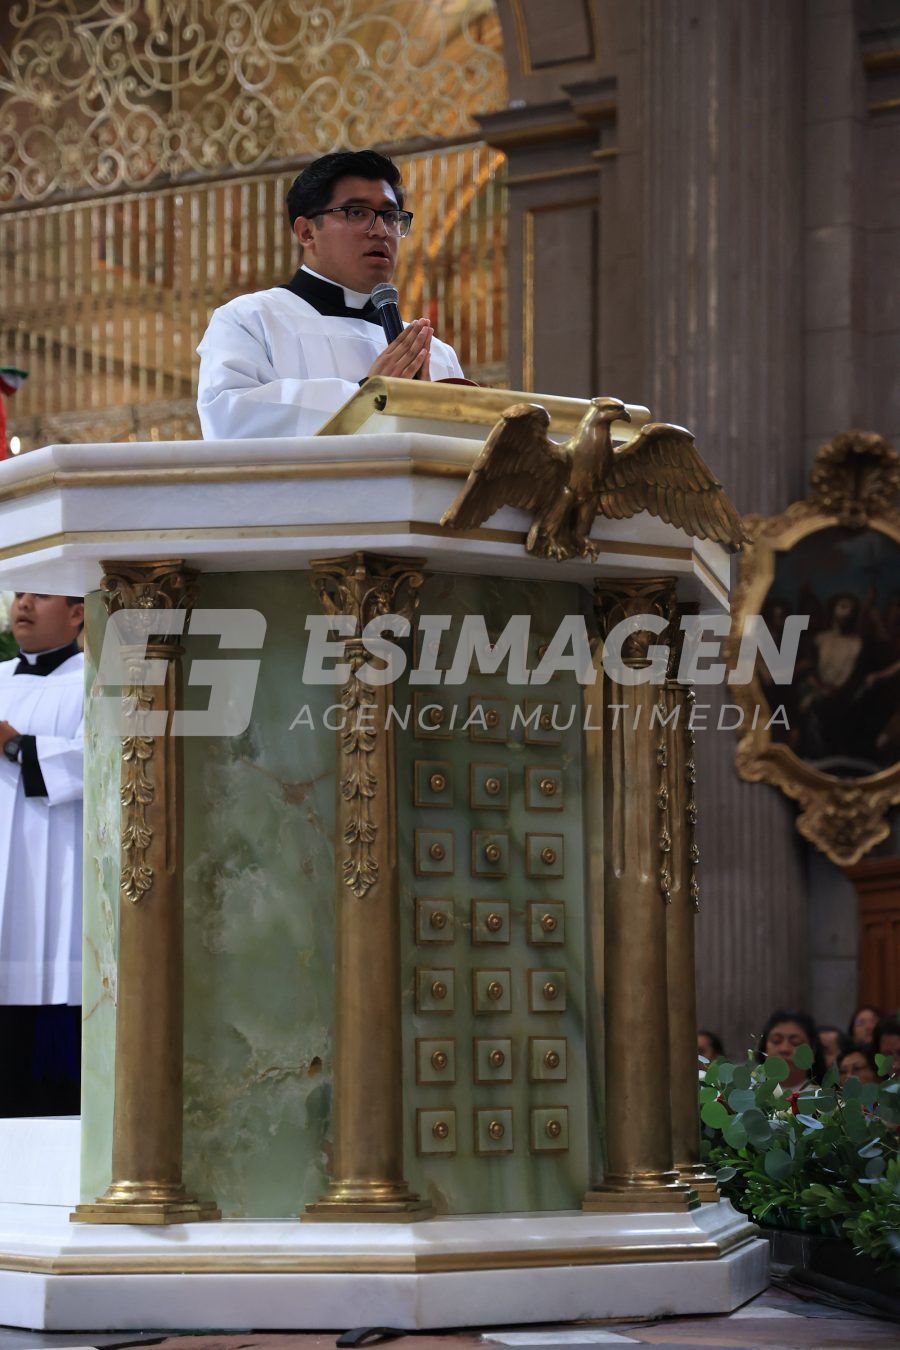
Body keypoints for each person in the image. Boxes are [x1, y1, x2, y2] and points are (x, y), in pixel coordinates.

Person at [197, 150, 465, 440]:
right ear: (307, 233)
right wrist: (367, 398)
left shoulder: (435, 353)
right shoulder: (249, 321)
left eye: (390, 217)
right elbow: (231, 423)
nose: (380, 231)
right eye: (357, 213)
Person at [0, 592, 84, 1116]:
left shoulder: (95, 680)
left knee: (52, 998)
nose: (23, 604)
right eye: (19, 595)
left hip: (58, 870)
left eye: (40, 596)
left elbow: (99, 756)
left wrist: (14, 746)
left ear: (78, 612)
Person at [755, 1008, 826, 1089]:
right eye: (776, 1041)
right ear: (764, 1048)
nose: (784, 1049)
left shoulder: (824, 1098)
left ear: (813, 1051)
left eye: (796, 1043)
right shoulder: (748, 1095)